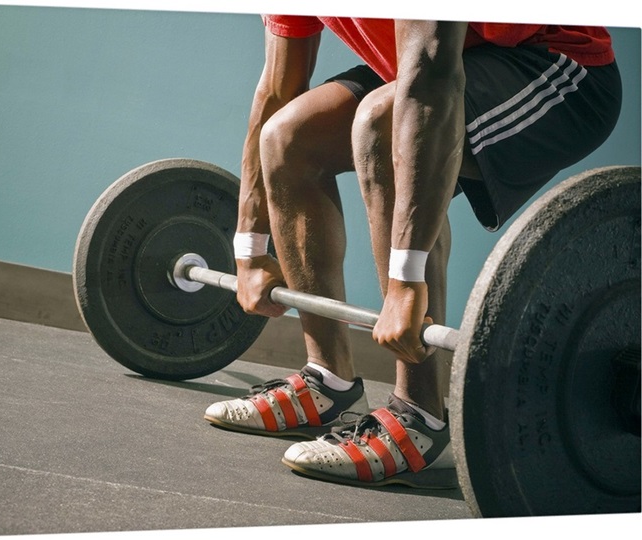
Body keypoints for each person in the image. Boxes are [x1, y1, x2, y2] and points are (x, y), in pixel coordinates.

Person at [204, 16, 622, 488]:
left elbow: (430, 76)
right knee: (289, 137)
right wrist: (250, 248)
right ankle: (328, 382)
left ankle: (421, 420)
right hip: (434, 67)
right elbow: (278, 89)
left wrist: (406, 282)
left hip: (561, 70)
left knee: (381, 125)